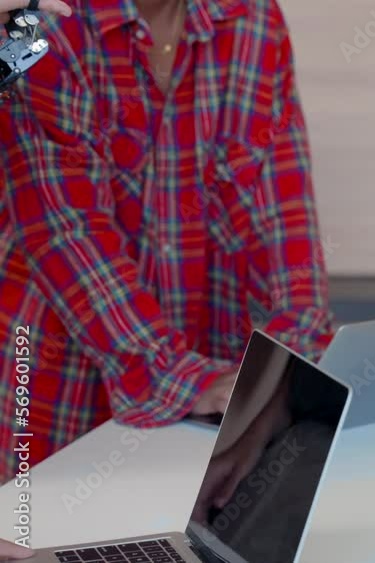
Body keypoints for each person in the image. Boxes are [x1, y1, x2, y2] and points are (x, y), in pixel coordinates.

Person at [0, 0, 334, 483]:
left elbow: (284, 213)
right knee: (45, 541)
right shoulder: (40, 22)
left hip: (206, 390)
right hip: (61, 374)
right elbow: (65, 230)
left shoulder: (252, 18)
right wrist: (176, 377)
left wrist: (288, 374)